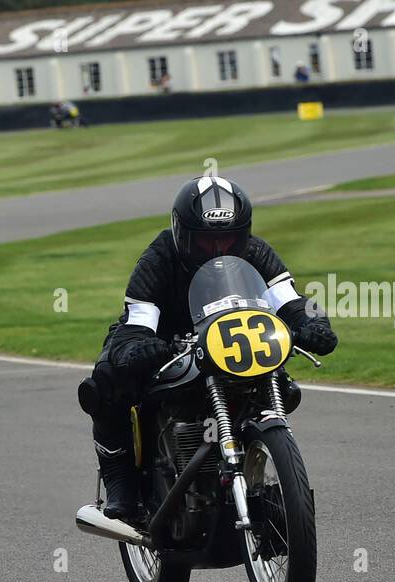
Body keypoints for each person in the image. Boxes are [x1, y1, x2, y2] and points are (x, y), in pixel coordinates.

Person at [77, 175, 338, 528]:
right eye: (204, 243)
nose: (217, 250)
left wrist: (314, 324)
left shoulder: (257, 252)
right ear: (181, 234)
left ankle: (271, 474)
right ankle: (120, 481)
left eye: (228, 239)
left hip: (235, 343)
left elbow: (290, 301)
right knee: (107, 378)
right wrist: (140, 346)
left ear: (243, 235)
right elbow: (137, 321)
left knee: (284, 386)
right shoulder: (160, 257)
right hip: (170, 342)